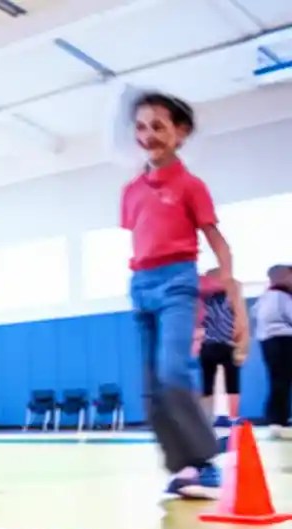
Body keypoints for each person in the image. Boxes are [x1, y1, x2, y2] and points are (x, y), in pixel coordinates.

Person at [121, 91, 238, 498]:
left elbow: (217, 242)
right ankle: (183, 466)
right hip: (141, 285)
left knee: (174, 374)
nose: (148, 134)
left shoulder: (191, 185)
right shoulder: (132, 190)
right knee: (151, 390)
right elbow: (140, 241)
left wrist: (233, 299)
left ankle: (206, 463)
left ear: (180, 133)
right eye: (140, 126)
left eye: (158, 125)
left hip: (177, 282)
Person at [193, 267, 247, 425]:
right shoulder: (224, 298)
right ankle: (229, 416)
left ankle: (215, 416)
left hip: (215, 344)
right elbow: (241, 322)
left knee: (212, 382)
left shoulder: (206, 300)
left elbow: (241, 322)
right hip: (221, 343)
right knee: (228, 381)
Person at [254, 264, 292, 438]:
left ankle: (277, 418)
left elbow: (256, 314)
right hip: (283, 340)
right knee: (281, 380)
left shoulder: (264, 297)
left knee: (278, 380)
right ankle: (278, 419)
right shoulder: (280, 296)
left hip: (267, 341)